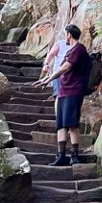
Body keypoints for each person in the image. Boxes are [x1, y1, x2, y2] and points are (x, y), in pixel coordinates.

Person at [35, 23, 90, 165]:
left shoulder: (79, 49)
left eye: (66, 34)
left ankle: (74, 155)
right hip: (63, 91)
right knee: (60, 124)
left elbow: (65, 68)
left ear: (69, 35)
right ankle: (61, 156)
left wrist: (48, 78)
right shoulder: (71, 50)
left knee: (71, 124)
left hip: (73, 91)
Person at [39, 29, 71, 128]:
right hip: (58, 74)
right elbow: (51, 54)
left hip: (70, 76)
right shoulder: (60, 44)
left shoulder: (77, 47)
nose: (66, 36)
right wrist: (46, 64)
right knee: (59, 95)